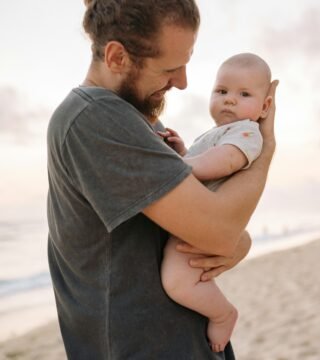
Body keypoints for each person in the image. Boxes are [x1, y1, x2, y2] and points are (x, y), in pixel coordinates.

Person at [47, 0, 278, 359]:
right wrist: (266, 146)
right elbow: (219, 229)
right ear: (117, 57)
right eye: (171, 68)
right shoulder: (94, 119)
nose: (183, 83)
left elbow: (209, 226)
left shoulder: (141, 122)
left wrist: (237, 241)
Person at [158, 53, 272, 353]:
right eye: (221, 91)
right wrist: (183, 152)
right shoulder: (216, 133)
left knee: (177, 281)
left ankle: (222, 313)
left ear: (265, 106)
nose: (229, 100)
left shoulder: (248, 132)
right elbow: (200, 163)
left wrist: (185, 165)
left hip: (204, 223)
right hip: (197, 218)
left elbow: (224, 161)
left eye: (243, 94)